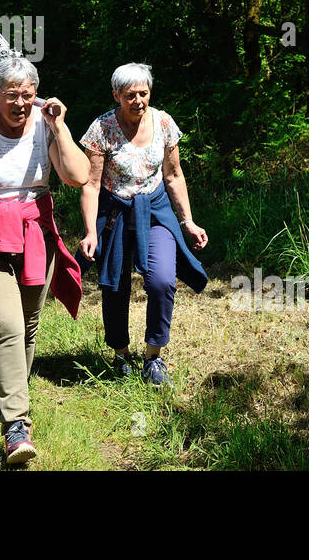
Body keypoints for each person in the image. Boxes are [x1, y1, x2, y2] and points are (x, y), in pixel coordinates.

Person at [0, 57, 89, 464]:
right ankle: (15, 425)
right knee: (6, 323)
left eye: (28, 95)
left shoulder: (47, 122)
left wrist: (60, 127)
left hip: (32, 233)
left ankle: (14, 402)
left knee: (28, 324)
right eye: (12, 96)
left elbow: (78, 176)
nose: (21, 104)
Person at [78, 63, 210, 386]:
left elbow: (174, 175)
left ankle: (153, 356)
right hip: (115, 212)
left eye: (143, 93)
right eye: (130, 95)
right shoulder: (102, 129)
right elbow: (91, 185)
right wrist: (91, 231)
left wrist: (187, 221)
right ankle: (121, 355)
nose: (138, 100)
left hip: (155, 211)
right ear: (116, 96)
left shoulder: (163, 122)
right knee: (114, 285)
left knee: (162, 280)